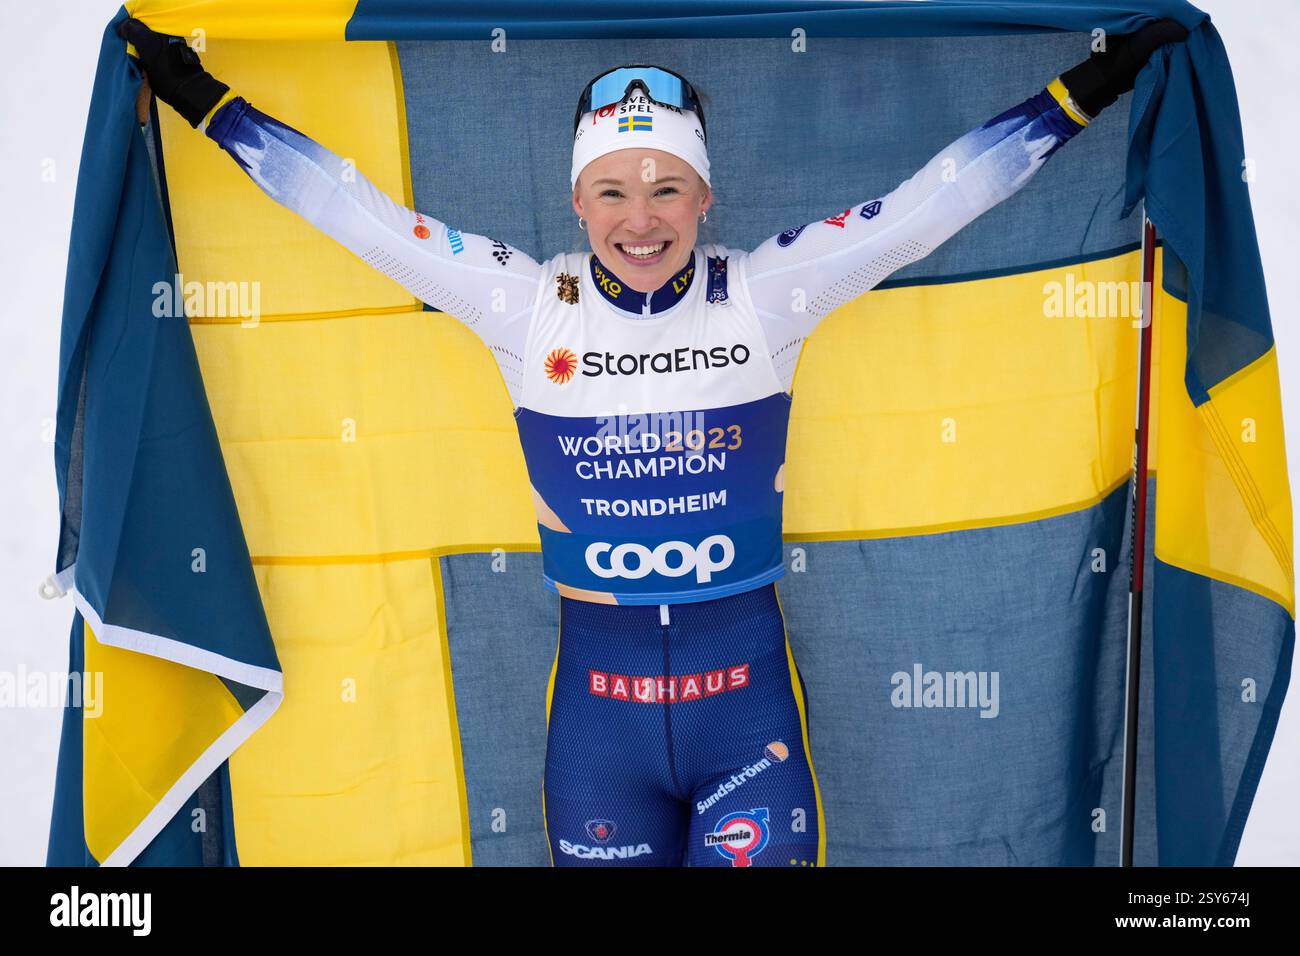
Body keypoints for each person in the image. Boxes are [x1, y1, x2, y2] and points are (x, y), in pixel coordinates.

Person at [116, 18, 1188, 867]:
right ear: (577, 201)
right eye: (614, 191)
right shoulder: (523, 304)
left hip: (748, 724)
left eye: (668, 187)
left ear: (705, 196)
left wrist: (1091, 85)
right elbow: (353, 212)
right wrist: (202, 99)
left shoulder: (765, 293)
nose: (642, 219)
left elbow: (927, 208)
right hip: (599, 737)